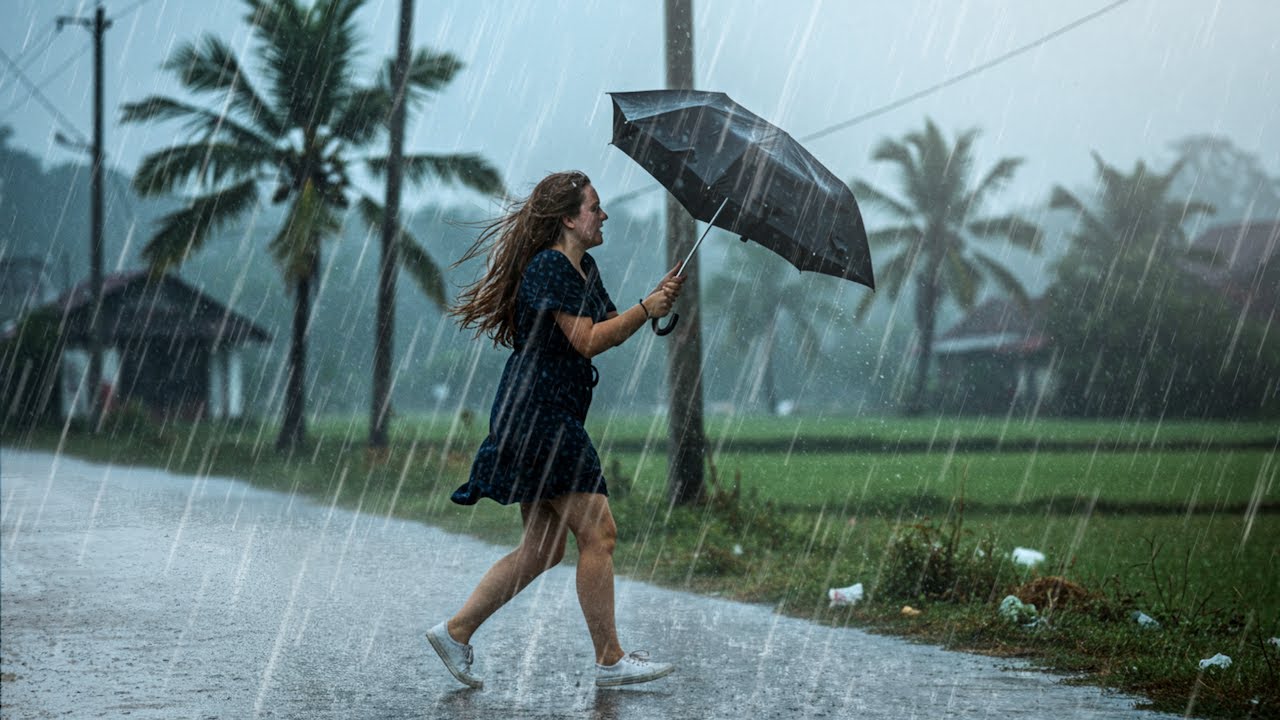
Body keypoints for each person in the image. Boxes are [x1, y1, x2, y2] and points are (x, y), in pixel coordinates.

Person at [428, 170, 684, 689]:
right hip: (540, 413)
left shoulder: (583, 268)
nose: (603, 215)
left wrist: (655, 301)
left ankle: (455, 633)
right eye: (594, 207)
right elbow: (586, 341)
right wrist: (645, 309)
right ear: (568, 218)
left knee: (543, 549)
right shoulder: (548, 267)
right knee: (599, 533)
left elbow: (610, 326)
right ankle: (610, 659)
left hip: (540, 410)